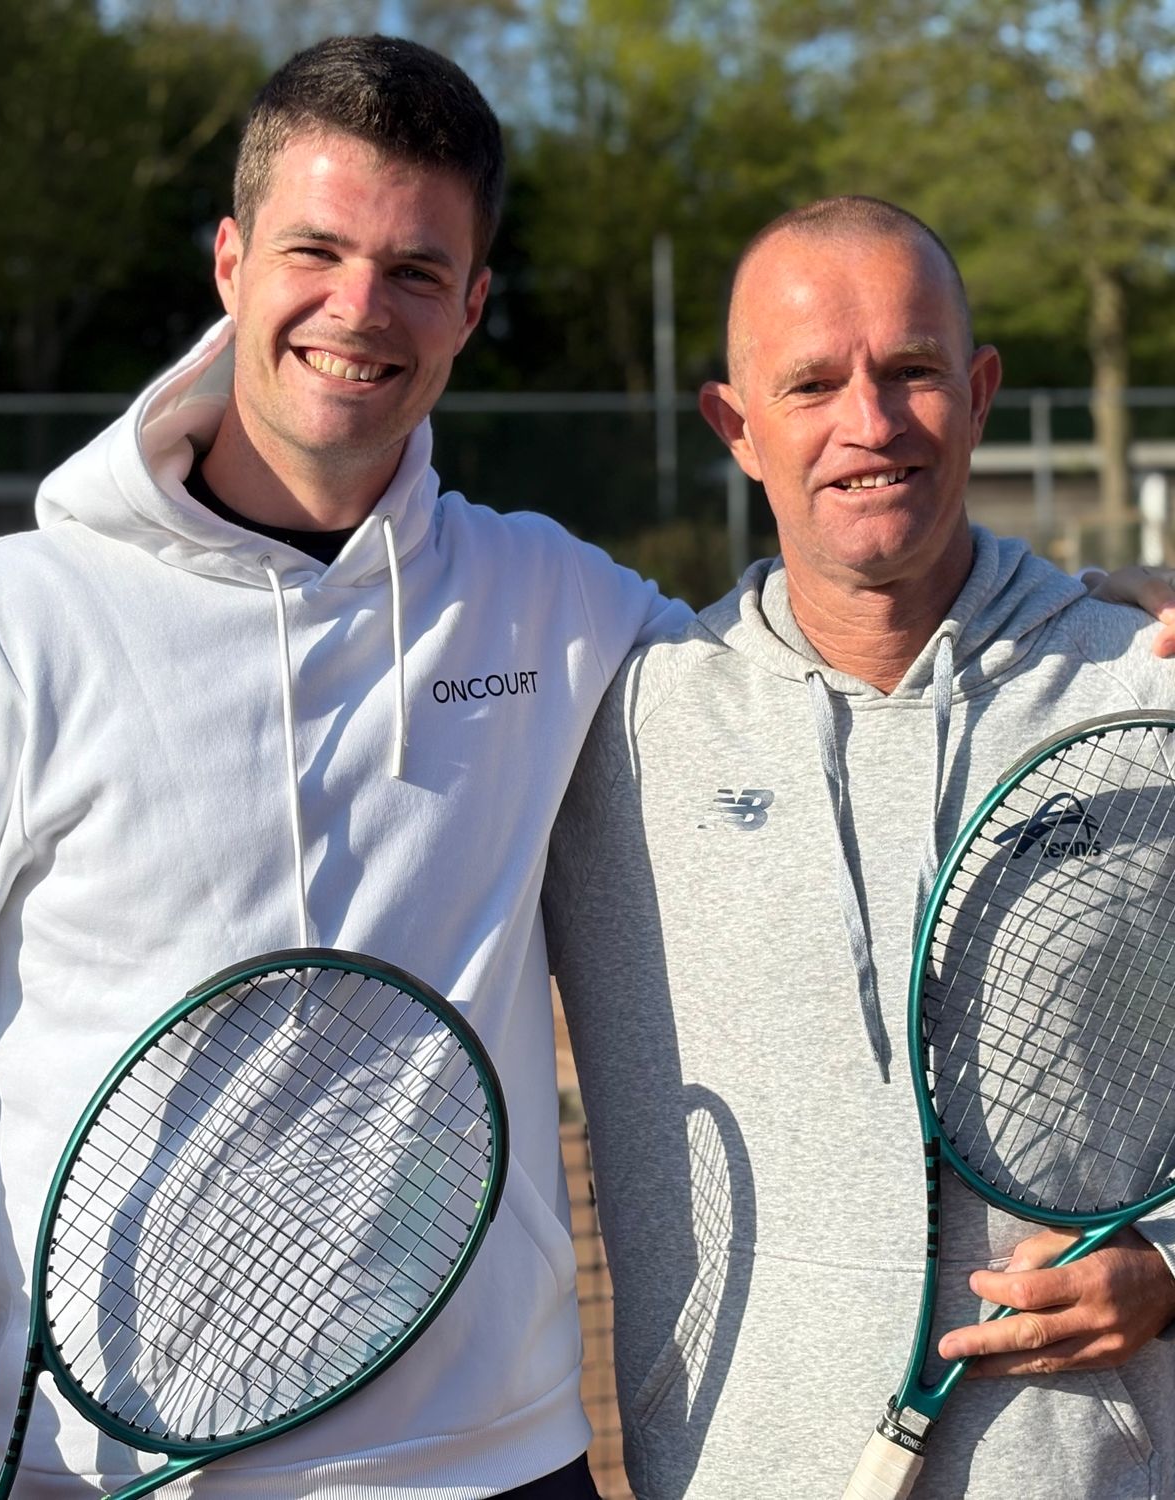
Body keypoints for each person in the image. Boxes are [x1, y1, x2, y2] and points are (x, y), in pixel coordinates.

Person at [0, 34, 696, 1500]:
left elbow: (824, 678)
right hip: (114, 1470)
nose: (359, 309)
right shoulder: (16, 620)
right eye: (317, 249)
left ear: (473, 305)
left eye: (419, 270)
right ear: (232, 261)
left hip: (505, 1463)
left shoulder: (551, 600)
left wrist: (1077, 613)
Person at [545, 196, 1175, 1499]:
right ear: (737, 427)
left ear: (981, 388)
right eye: (813, 383)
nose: (870, 425)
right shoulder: (609, 724)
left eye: (912, 372)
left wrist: (1172, 1263)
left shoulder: (1147, 691)